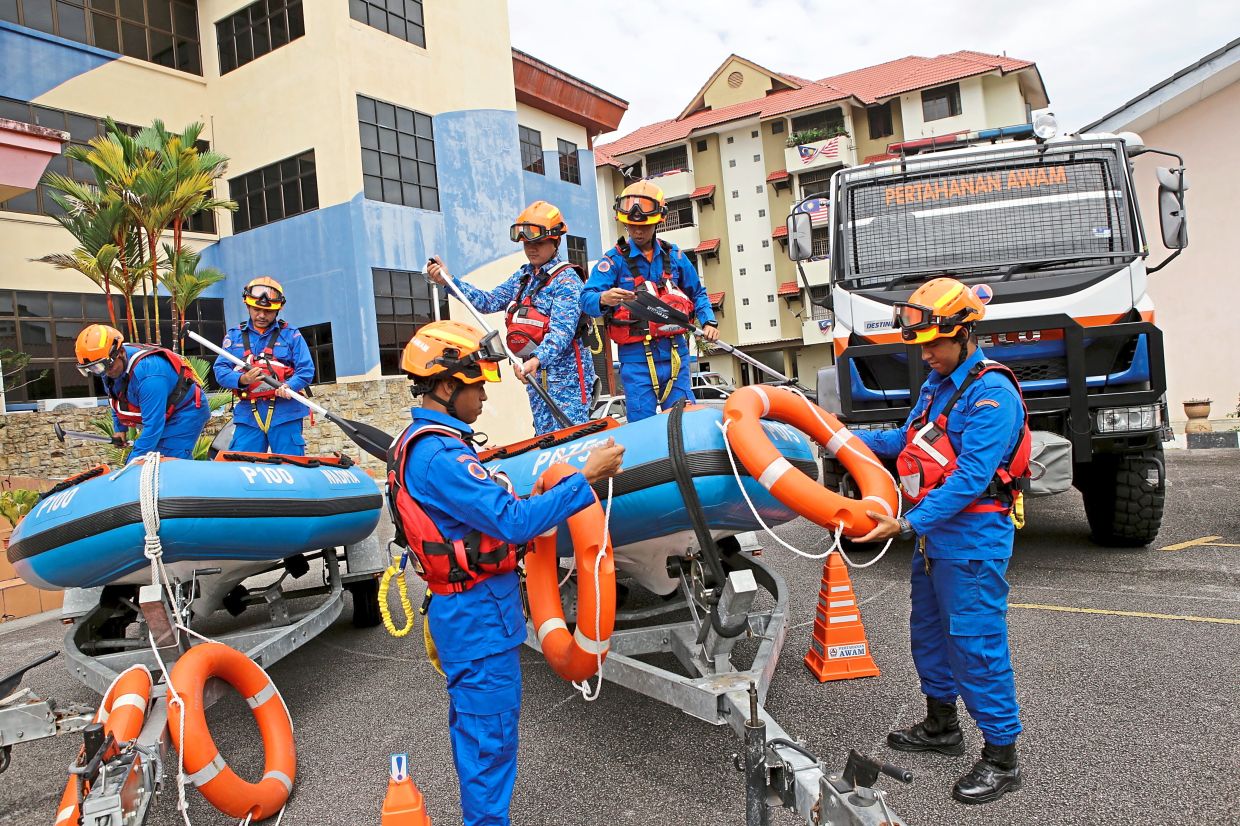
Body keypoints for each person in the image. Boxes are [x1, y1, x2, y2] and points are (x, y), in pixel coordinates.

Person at [386, 319, 624, 826]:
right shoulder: (441, 457)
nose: (485, 399)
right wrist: (585, 478)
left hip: (471, 614)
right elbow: (513, 523)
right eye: (477, 387)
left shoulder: (423, 445)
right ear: (446, 387)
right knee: (488, 747)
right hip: (477, 620)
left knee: (480, 741)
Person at [852, 277, 1031, 805]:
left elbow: (972, 476)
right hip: (937, 540)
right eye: (921, 343)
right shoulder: (937, 386)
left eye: (934, 343)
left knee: (975, 645)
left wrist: (908, 525)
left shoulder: (992, 394)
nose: (925, 353)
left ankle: (1002, 757)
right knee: (929, 636)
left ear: (964, 333)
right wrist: (835, 432)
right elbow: (906, 442)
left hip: (971, 540)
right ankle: (941, 726)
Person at [425, 201, 596, 435]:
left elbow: (561, 333)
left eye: (538, 242)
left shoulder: (567, 280)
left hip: (567, 382)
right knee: (545, 438)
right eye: (527, 243)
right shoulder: (523, 278)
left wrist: (535, 360)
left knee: (571, 437)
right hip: (535, 379)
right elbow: (488, 301)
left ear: (555, 241)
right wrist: (449, 281)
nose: (531, 249)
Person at [581, 180, 720, 422]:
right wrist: (604, 297)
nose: (637, 231)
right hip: (636, 360)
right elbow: (586, 299)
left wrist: (709, 322)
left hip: (676, 355)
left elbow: (698, 292)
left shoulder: (673, 256)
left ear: (658, 221)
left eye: (644, 226)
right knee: (643, 424)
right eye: (632, 225)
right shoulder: (613, 261)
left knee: (683, 421)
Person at [74, 323, 210, 463]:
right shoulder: (108, 366)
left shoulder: (149, 375)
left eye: (103, 366)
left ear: (120, 352)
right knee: (151, 458)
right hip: (163, 412)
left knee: (168, 463)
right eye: (94, 369)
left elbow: (153, 425)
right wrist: (120, 429)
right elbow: (116, 399)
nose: (103, 372)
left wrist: (131, 463)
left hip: (186, 412)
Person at [212, 276, 315, 455]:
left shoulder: (291, 335)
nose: (261, 315)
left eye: (267, 311)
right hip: (248, 415)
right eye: (256, 309)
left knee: (291, 468)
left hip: (285, 413)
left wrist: (290, 385)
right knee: (242, 467)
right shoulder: (234, 336)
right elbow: (220, 371)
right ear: (247, 306)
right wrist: (242, 379)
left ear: (278, 309)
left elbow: (306, 370)